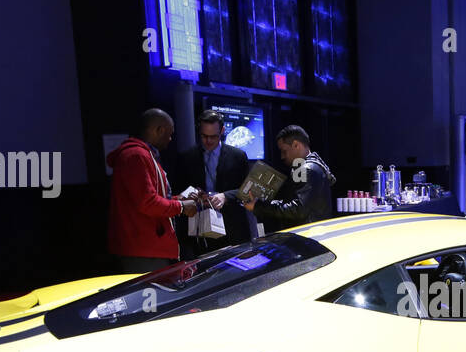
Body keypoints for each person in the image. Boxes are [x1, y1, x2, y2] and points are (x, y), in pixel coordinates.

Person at [107, 108, 198, 274]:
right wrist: (182, 207)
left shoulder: (144, 154)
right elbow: (147, 202)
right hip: (142, 249)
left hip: (147, 246)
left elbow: (155, 197)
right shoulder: (136, 155)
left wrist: (179, 200)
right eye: (169, 134)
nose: (170, 139)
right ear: (159, 130)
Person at [170, 110, 251, 259]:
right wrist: (190, 194)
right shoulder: (186, 157)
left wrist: (225, 196)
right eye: (204, 136)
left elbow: (248, 191)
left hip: (232, 228)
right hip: (199, 230)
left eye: (213, 136)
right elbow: (177, 189)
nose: (208, 141)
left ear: (222, 131)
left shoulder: (238, 156)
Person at [244, 125, 335, 231]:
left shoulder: (306, 168)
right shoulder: (309, 165)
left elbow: (298, 209)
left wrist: (260, 207)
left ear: (296, 145)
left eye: (284, 151)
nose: (282, 156)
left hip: (308, 236)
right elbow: (294, 204)